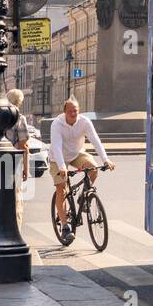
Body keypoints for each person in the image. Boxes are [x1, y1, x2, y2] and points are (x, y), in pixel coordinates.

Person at [49, 98, 115, 242]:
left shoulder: (84, 122)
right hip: (57, 158)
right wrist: (62, 167)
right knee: (61, 187)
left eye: (76, 111)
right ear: (64, 112)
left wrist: (105, 159)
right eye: (71, 111)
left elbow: (95, 140)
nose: (74, 113)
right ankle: (65, 226)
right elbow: (57, 147)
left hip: (77, 153)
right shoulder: (57, 124)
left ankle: (83, 197)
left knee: (93, 168)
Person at [3, 88, 31, 233]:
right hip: (13, 163)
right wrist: (26, 169)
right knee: (15, 198)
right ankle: (15, 231)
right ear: (19, 102)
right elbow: (23, 145)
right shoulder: (19, 118)